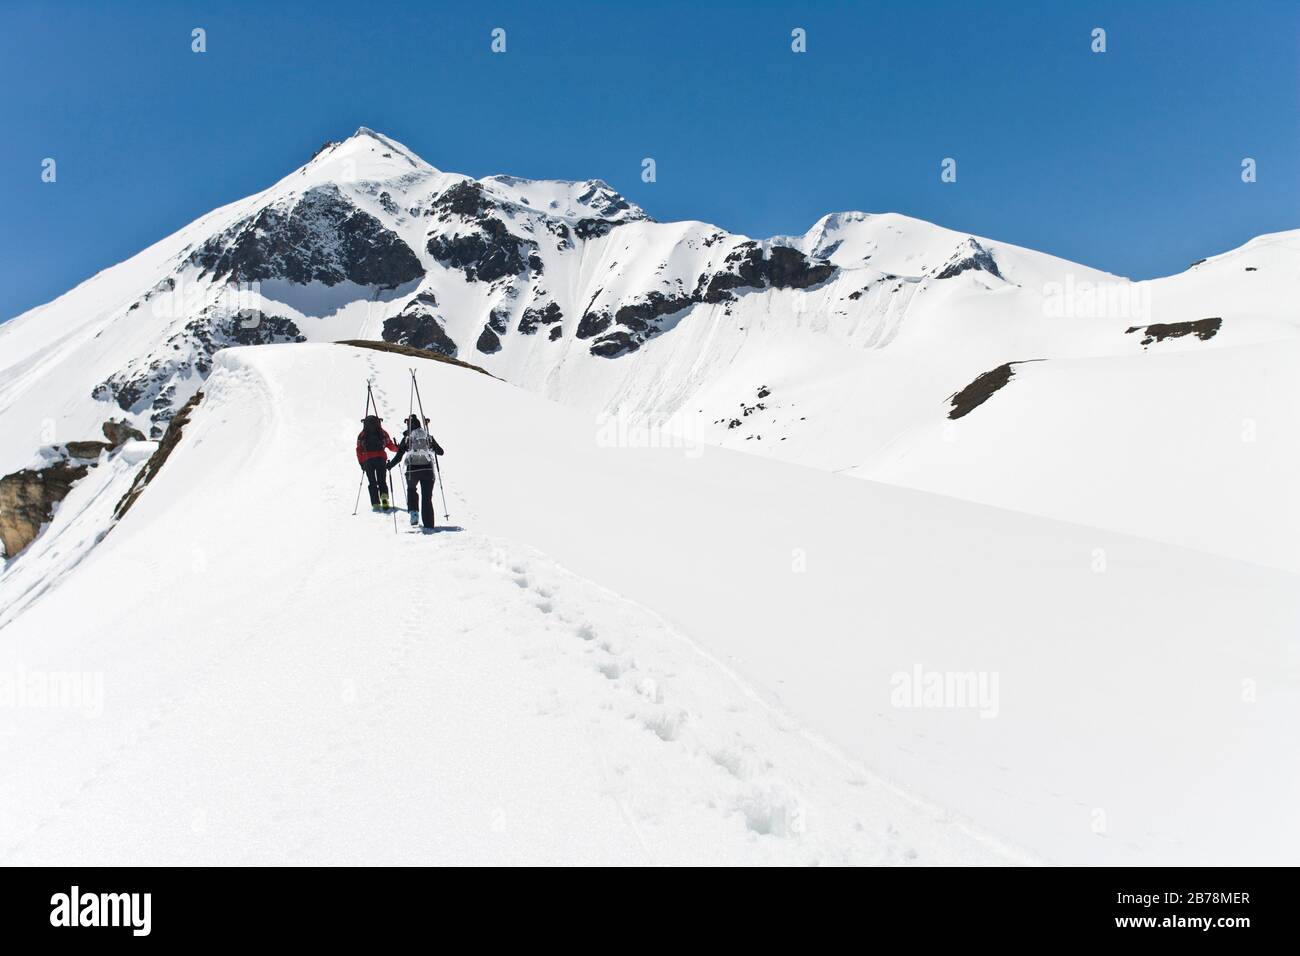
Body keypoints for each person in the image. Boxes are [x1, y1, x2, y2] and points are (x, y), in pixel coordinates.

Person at [389, 414, 445, 529]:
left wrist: (389, 466)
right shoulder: (427, 436)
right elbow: (440, 452)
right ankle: (429, 524)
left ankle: (414, 513)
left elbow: (399, 457)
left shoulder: (408, 438)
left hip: (412, 470)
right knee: (427, 497)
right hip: (428, 470)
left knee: (411, 489)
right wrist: (431, 445)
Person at [355, 415, 397, 511]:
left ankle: (375, 503)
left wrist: (361, 463)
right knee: (382, 480)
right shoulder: (382, 432)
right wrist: (397, 449)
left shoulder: (362, 434)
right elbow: (390, 445)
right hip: (381, 458)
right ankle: (384, 499)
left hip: (367, 460)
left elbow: (358, 449)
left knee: (372, 482)